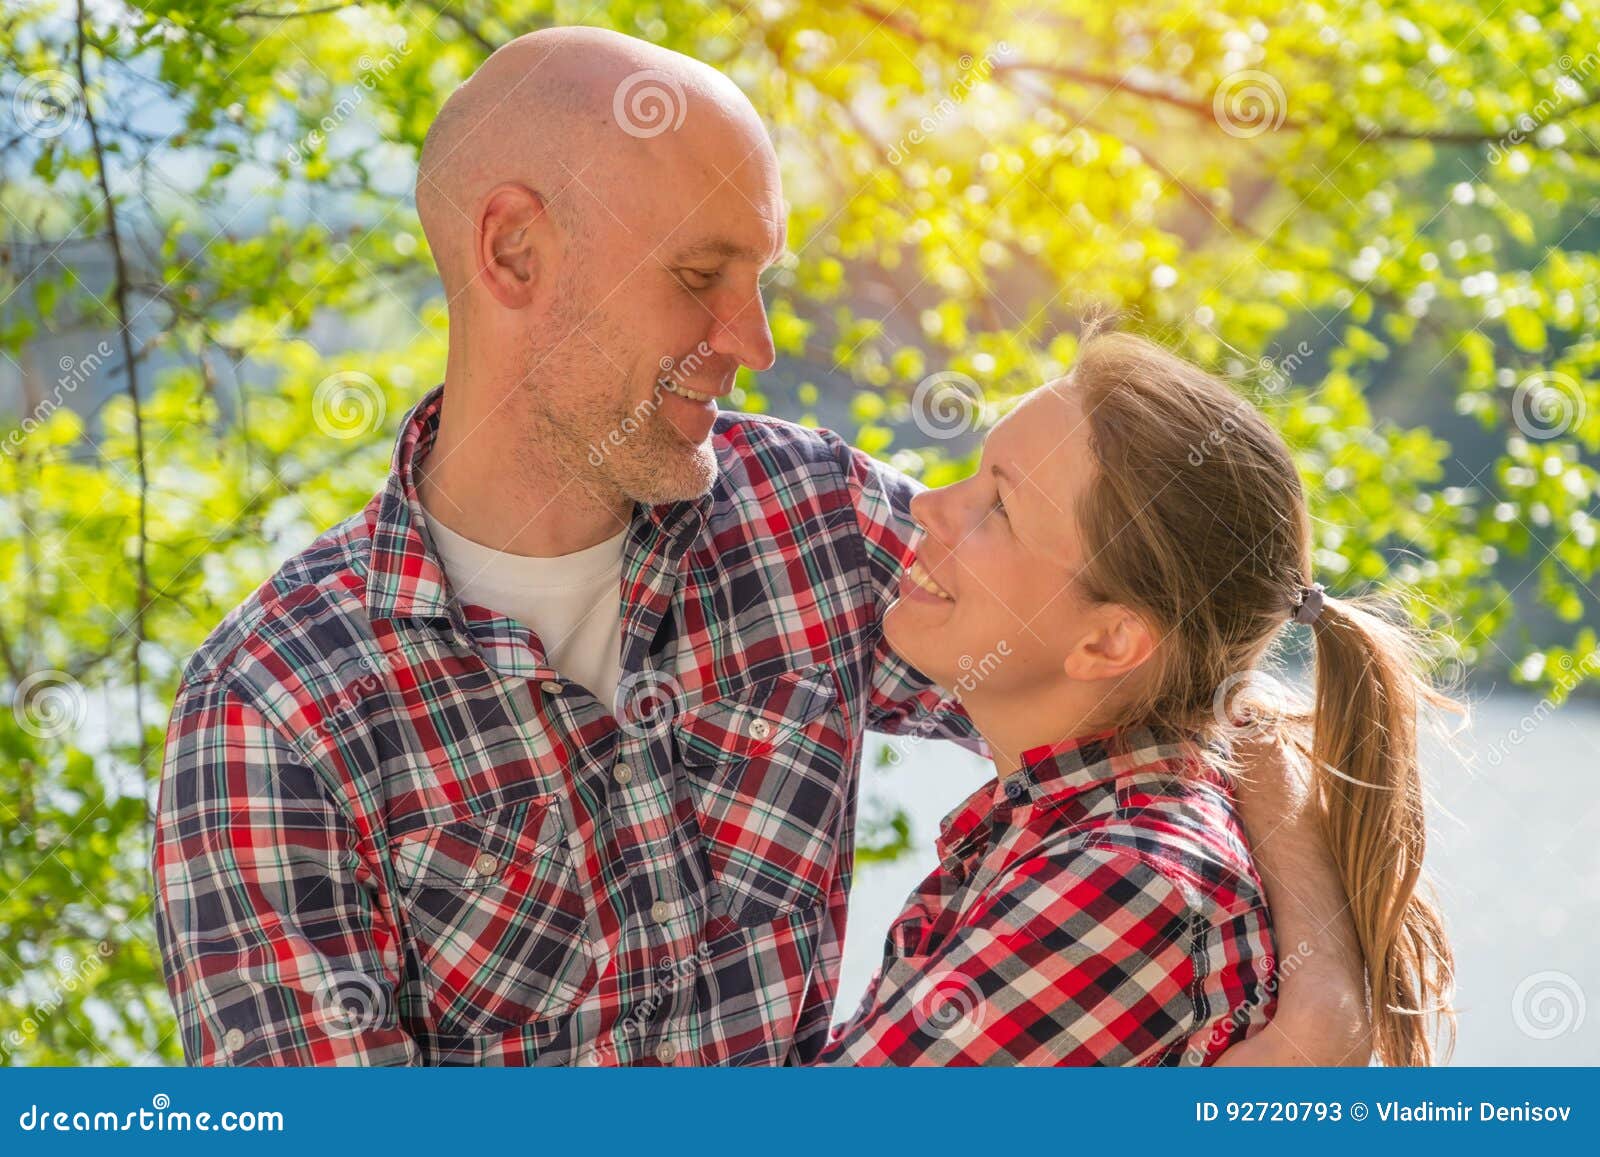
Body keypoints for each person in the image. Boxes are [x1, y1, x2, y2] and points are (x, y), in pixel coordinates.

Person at [152, 27, 1368, 1066]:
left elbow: (1176, 683)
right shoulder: (275, 708)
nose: (757, 338)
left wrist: (1322, 998)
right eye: (699, 275)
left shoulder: (807, 518)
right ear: (513, 251)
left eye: (762, 276)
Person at [816, 333, 1455, 1065]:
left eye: (998, 506)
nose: (927, 504)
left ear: (1111, 641)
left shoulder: (1123, 886)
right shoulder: (1080, 828)